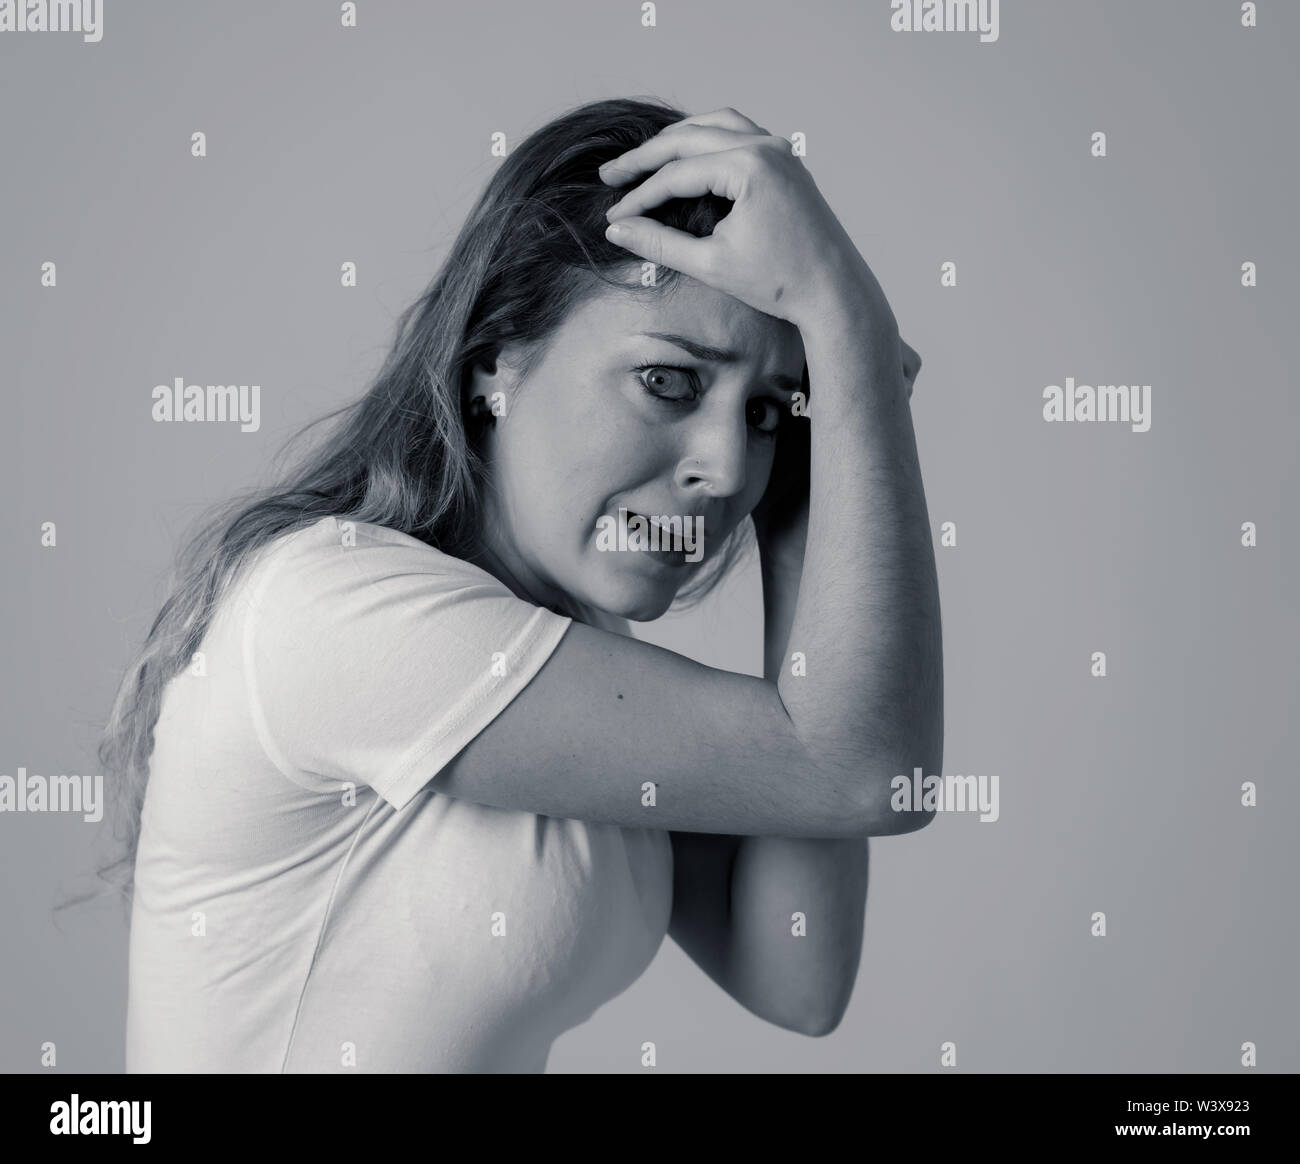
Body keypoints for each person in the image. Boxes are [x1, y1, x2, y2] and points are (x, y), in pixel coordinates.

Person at [99, 97, 941, 1073]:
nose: (723, 464)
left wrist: (814, 453)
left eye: (762, 414)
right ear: (493, 364)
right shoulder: (337, 614)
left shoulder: (569, 667)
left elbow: (796, 975)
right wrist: (850, 329)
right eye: (668, 381)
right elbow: (861, 774)